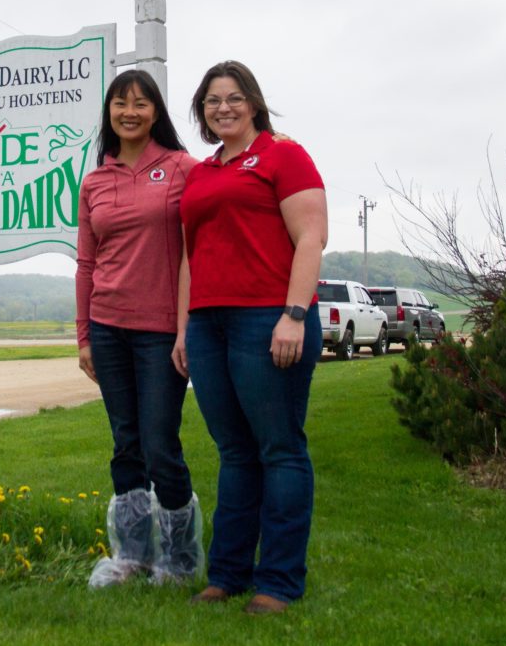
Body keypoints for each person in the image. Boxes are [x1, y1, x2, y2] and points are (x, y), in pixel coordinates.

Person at [173, 60, 327, 614]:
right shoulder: (202, 172)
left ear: (254, 103)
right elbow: (191, 253)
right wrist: (185, 326)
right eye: (213, 100)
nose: (224, 108)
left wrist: (294, 313)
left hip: (267, 319)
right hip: (210, 326)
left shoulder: (284, 154)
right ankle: (228, 576)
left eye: (234, 98)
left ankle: (278, 583)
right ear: (202, 111)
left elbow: (311, 236)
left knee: (280, 450)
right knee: (234, 452)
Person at [76, 69, 204, 588]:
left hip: (160, 333)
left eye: (141, 103)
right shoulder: (94, 180)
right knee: (125, 444)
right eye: (120, 104)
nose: (130, 112)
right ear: (109, 113)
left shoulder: (181, 168)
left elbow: (193, 254)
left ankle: (179, 560)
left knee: (159, 444)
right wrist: (83, 335)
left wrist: (184, 330)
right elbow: (86, 265)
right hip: (108, 327)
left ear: (156, 112)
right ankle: (131, 557)